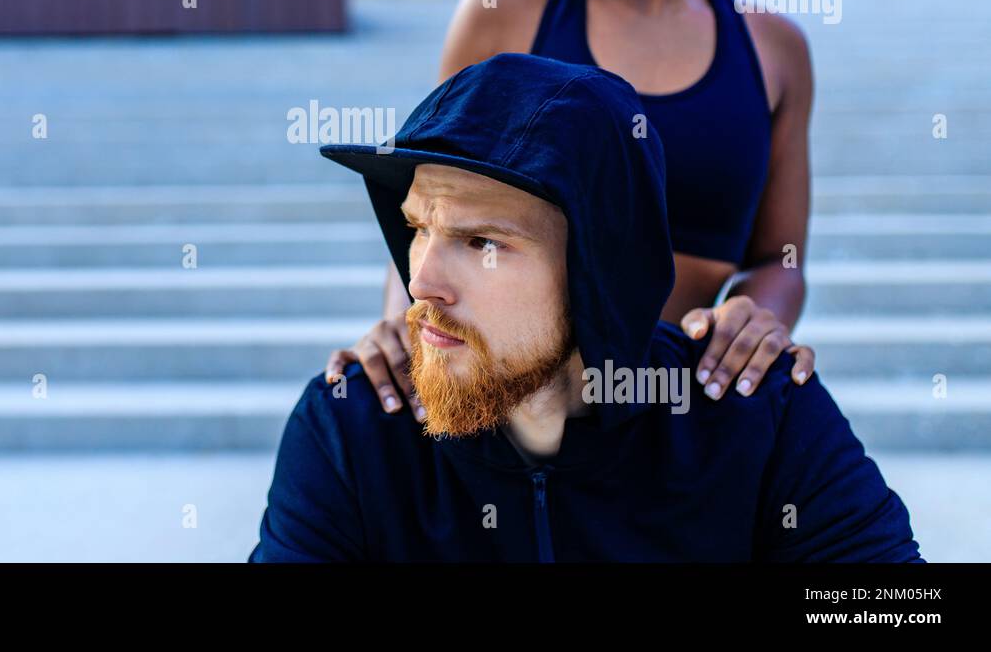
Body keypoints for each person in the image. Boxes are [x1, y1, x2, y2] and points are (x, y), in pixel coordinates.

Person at [249, 54, 920, 562]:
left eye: (482, 241)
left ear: (600, 266)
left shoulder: (752, 410)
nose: (421, 281)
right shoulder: (357, 424)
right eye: (419, 228)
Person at [325, 0, 816, 420]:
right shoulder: (504, 14)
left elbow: (780, 257)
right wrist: (405, 338)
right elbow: (433, 210)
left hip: (682, 420)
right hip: (510, 415)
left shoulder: (771, 47)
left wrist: (757, 319)